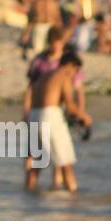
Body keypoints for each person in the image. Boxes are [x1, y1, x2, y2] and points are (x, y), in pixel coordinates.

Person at [24, 50, 90, 192]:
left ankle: (28, 194)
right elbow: (70, 105)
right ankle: (73, 198)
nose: (75, 74)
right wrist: (84, 117)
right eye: (76, 70)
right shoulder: (63, 76)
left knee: (39, 162)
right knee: (65, 162)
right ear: (69, 65)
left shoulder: (44, 76)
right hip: (50, 116)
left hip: (34, 116)